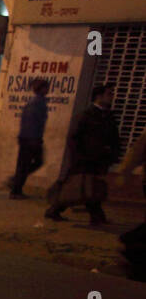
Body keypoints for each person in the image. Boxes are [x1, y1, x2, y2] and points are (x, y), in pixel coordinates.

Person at [46, 84, 121, 224]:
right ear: (99, 96)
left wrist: (113, 155)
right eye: (109, 94)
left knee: (89, 187)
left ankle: (56, 210)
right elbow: (73, 137)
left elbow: (114, 138)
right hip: (84, 159)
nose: (112, 97)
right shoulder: (86, 115)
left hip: (98, 159)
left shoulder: (108, 116)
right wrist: (78, 156)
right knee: (80, 187)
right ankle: (95, 216)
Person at [5, 77, 49, 199]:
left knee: (26, 164)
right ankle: (15, 188)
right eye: (45, 87)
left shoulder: (38, 102)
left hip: (29, 138)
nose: (48, 90)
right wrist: (33, 139)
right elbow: (31, 122)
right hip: (30, 138)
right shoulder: (36, 103)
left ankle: (16, 185)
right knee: (29, 164)